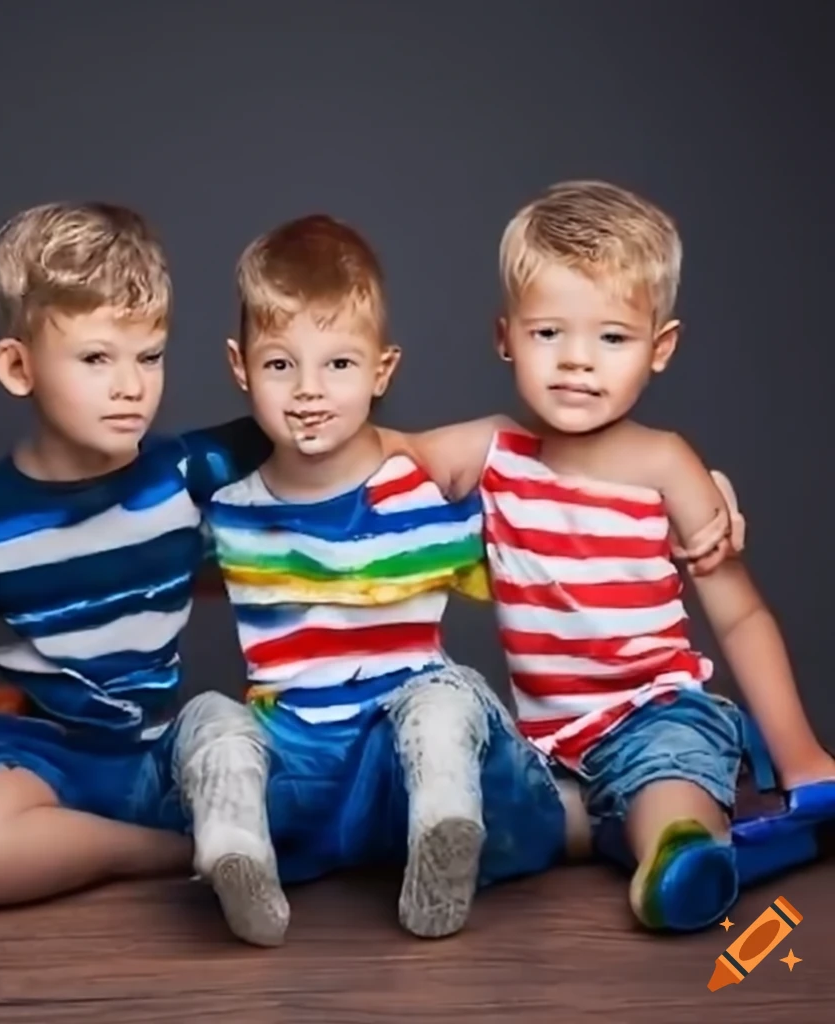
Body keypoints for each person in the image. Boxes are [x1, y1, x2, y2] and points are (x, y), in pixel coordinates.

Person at [200, 213, 736, 939]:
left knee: (449, 697)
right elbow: (133, 579)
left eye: (338, 365)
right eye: (279, 366)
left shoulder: (443, 496)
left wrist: (699, 499)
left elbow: (569, 522)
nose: (308, 391)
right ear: (243, 369)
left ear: (380, 371)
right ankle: (238, 851)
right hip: (356, 765)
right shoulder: (229, 515)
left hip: (469, 751)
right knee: (208, 724)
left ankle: (474, 829)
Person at [0, 202, 289, 948]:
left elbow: (332, 420)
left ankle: (218, 836)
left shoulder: (190, 472)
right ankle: (172, 854)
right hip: (46, 757)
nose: (131, 385)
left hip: (160, 750)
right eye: (97, 358)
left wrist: (456, 446)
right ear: (17, 365)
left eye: (150, 356)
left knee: (319, 795)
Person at [380, 180, 835, 931]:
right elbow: (382, 454)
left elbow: (742, 613)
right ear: (505, 337)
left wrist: (804, 757)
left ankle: (680, 854)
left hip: (656, 710)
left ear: (661, 348)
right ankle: (612, 829)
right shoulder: (493, 449)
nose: (577, 362)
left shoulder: (666, 465)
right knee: (490, 799)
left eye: (612, 338)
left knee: (668, 775)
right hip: (550, 746)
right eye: (548, 333)